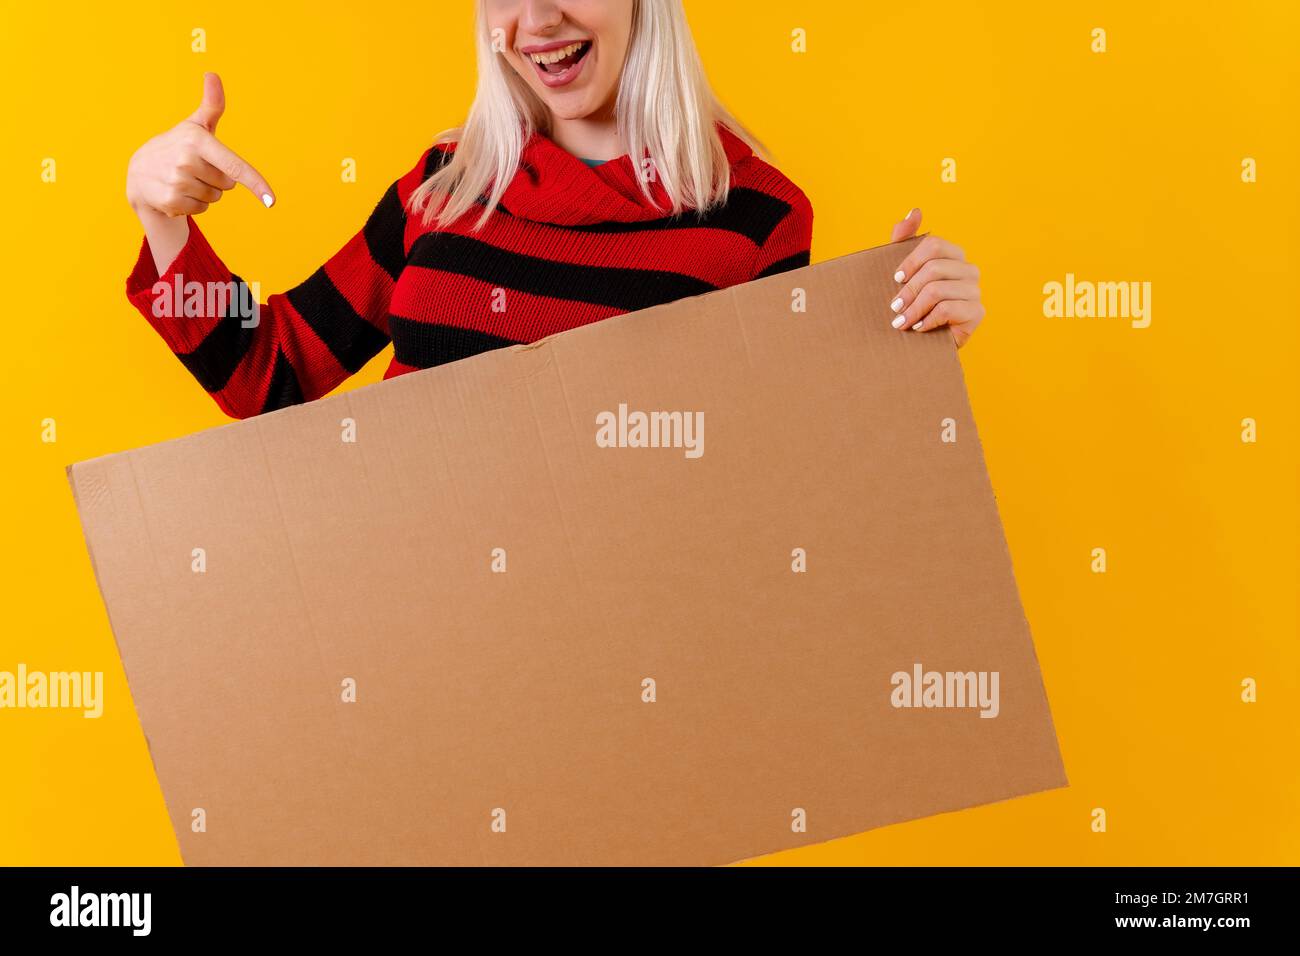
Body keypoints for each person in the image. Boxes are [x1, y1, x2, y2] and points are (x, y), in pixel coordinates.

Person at [124, 0, 984, 420]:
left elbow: (775, 473)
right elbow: (269, 375)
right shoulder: (446, 186)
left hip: (621, 685)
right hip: (412, 652)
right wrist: (162, 220)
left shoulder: (755, 217)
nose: (537, 19)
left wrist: (899, 344)